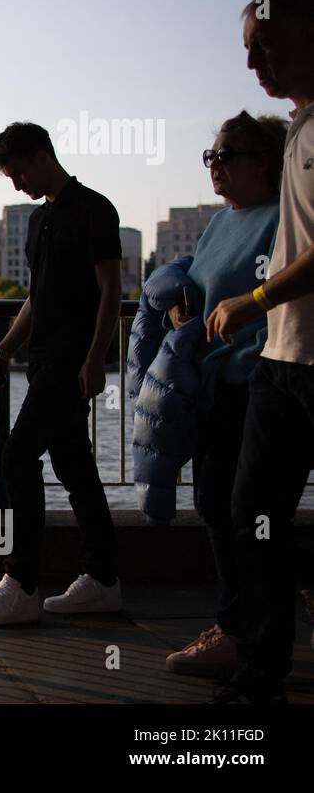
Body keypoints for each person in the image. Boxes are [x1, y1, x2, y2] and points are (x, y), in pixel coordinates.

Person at [125, 112, 282, 676]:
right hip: (212, 386)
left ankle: (245, 635)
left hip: (255, 385)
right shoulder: (220, 223)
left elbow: (275, 302)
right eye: (209, 157)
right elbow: (202, 287)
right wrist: (174, 307)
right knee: (216, 509)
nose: (213, 165)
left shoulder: (282, 220)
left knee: (245, 514)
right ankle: (237, 626)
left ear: (262, 160)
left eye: (225, 155)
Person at [0, 122, 123, 624]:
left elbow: (110, 291)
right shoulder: (38, 222)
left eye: (17, 172)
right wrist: (2, 352)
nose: (15, 184)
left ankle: (22, 583)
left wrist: (96, 358)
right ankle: (102, 579)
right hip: (43, 362)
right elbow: (36, 299)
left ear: (41, 157)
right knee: (75, 467)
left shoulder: (96, 209)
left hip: (69, 361)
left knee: (17, 459)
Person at [207, 0, 314, 704]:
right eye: (250, 51)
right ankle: (261, 667)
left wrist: (255, 299)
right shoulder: (301, 127)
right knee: (252, 514)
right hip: (283, 360)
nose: (254, 66)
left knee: (257, 514)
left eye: (265, 47)